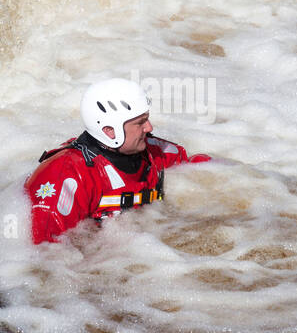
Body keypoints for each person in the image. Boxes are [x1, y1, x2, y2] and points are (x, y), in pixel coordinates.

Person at [25, 78, 210, 244]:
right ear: (110, 131)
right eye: (140, 123)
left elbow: (211, 175)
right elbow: (47, 256)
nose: (149, 127)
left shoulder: (157, 152)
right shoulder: (65, 175)